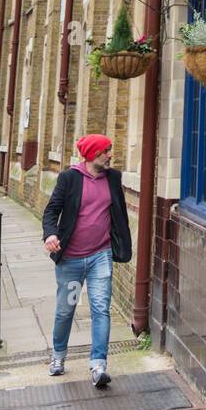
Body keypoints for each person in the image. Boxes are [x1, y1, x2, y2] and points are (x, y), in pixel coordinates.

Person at [41, 134, 131, 387]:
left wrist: (122, 242)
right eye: (106, 151)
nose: (110, 155)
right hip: (71, 260)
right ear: (93, 154)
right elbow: (51, 211)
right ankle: (58, 356)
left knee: (101, 308)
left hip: (100, 256)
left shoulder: (113, 178)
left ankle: (98, 364)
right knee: (66, 309)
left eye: (110, 150)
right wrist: (50, 234)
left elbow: (119, 213)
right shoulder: (70, 178)